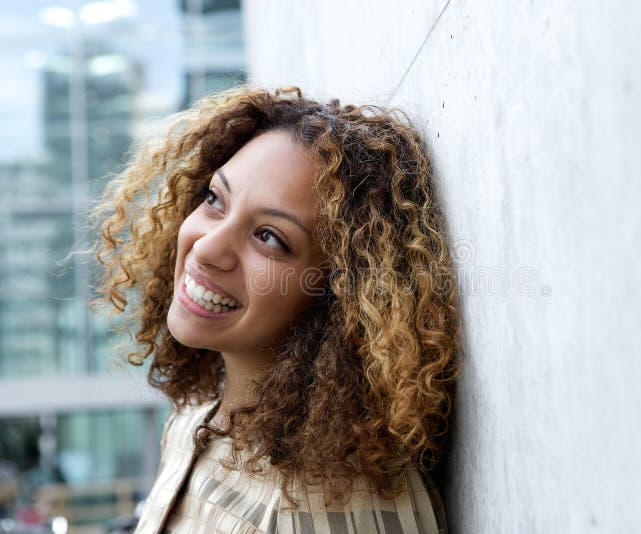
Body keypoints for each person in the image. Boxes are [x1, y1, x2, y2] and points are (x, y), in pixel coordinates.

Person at [89, 85, 463, 533]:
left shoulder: (335, 503)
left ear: (343, 295)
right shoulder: (194, 419)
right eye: (214, 200)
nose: (207, 248)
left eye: (269, 237)